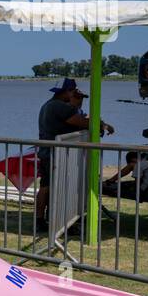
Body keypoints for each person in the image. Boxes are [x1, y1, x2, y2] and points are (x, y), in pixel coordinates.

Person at [35, 78, 113, 230]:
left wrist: (78, 106)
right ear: (68, 91)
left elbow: (82, 118)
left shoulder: (49, 105)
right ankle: (61, 222)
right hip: (56, 154)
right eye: (74, 92)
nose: (75, 95)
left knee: (46, 186)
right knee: (60, 188)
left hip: (47, 151)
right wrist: (103, 124)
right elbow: (85, 122)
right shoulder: (60, 107)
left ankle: (41, 220)